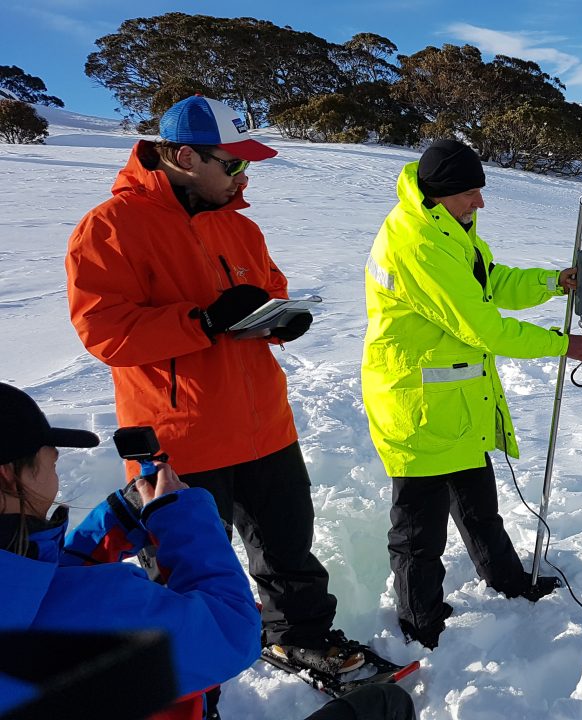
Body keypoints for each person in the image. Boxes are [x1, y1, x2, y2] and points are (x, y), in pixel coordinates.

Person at [64, 95, 365, 681]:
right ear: (183, 157)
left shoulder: (240, 226)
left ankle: (298, 636)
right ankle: (187, 680)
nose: (242, 175)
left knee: (288, 549)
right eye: (231, 164)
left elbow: (267, 289)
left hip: (264, 424)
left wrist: (281, 320)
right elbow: (102, 330)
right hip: (178, 439)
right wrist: (201, 320)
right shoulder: (109, 228)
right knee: (179, 564)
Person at [362, 139, 582, 648]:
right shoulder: (417, 245)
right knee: (418, 532)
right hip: (417, 409)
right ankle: (419, 621)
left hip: (457, 406)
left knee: (478, 509)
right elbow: (483, 328)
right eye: (472, 193)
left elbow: (488, 281)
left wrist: (553, 282)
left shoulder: (450, 228)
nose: (481, 203)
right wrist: (561, 344)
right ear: (442, 192)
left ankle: (509, 582)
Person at [0, 383, 260, 719]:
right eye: (51, 461)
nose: (56, 468)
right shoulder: (99, 620)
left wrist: (118, 519)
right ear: (8, 475)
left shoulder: (20, 596)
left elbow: (38, 589)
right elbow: (234, 628)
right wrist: (183, 518)